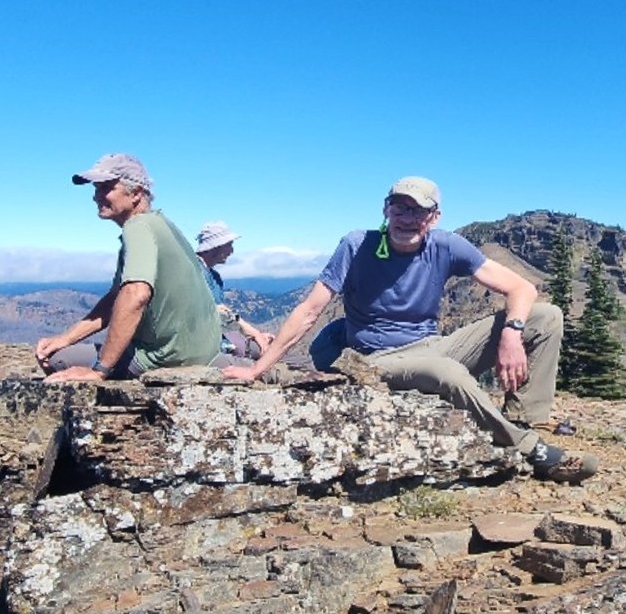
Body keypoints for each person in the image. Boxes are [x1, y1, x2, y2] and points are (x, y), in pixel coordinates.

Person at [226, 176, 597, 483]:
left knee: (546, 316)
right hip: (376, 358)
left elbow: (522, 288)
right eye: (399, 208)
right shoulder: (357, 245)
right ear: (385, 210)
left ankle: (521, 419)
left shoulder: (446, 246)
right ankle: (533, 450)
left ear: (434, 217)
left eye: (418, 210)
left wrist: (511, 334)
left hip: (434, 345)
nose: (407, 218)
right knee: (449, 373)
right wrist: (257, 369)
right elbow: (309, 310)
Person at [35, 154, 223, 381]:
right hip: (202, 352)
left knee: (57, 358)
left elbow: (135, 294)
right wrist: (67, 338)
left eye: (106, 187)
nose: (96, 196)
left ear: (136, 193)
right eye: (96, 189)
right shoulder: (161, 224)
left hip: (164, 357)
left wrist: (100, 370)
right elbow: (116, 297)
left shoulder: (138, 227)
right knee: (63, 347)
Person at [194, 220, 275, 359]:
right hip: (202, 343)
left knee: (266, 346)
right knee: (264, 352)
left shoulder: (214, 276)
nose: (231, 251)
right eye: (229, 245)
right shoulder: (194, 271)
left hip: (217, 337)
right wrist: (254, 333)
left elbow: (225, 316)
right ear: (216, 247)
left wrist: (252, 334)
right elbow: (214, 311)